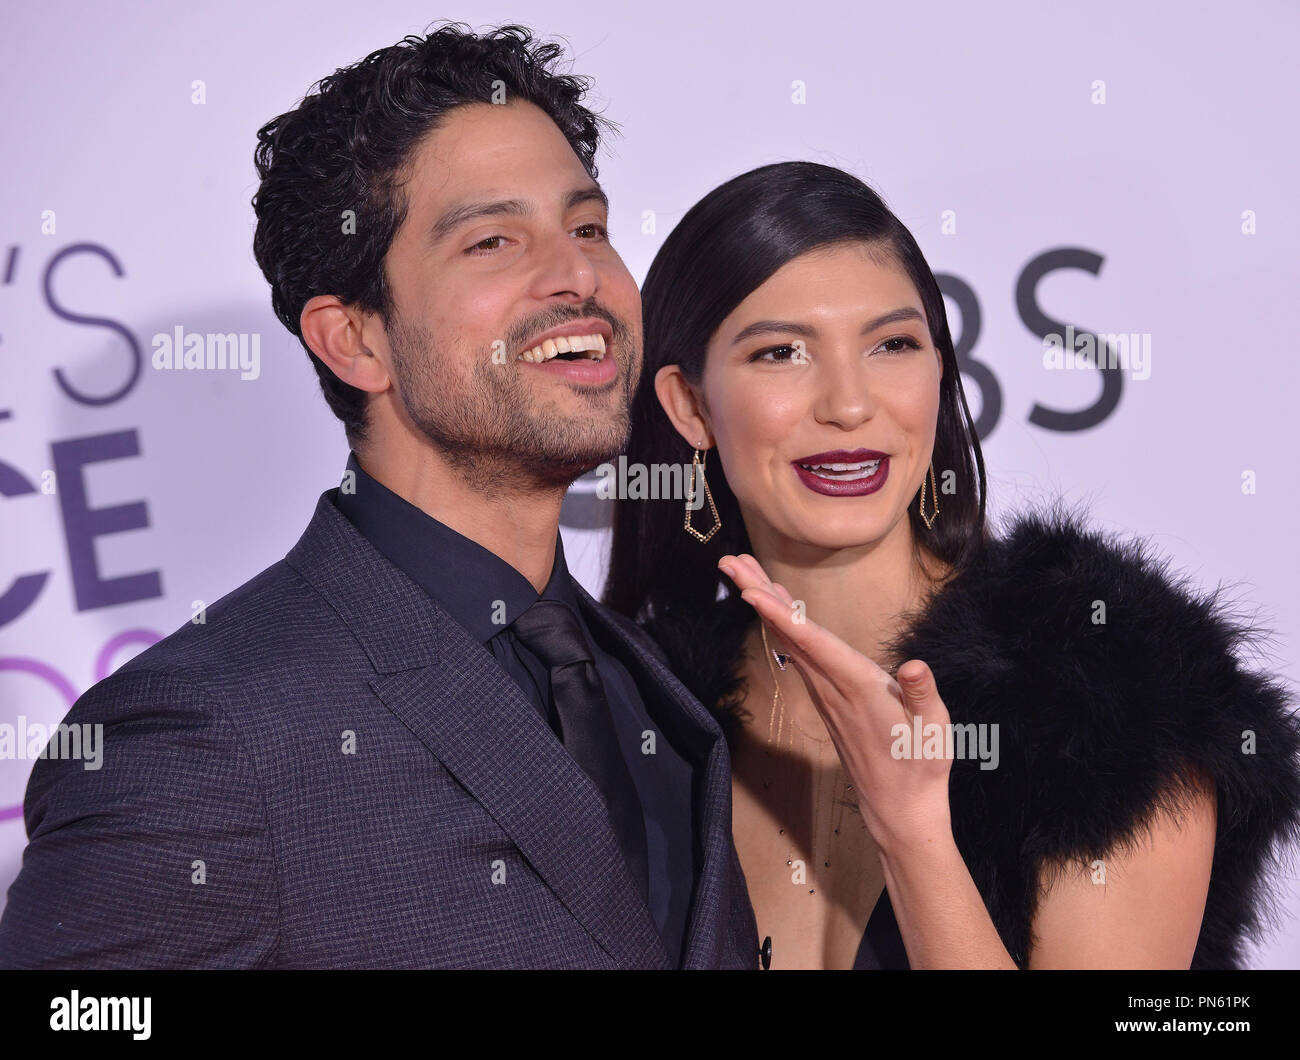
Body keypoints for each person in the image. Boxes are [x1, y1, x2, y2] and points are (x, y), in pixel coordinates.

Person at [0, 24, 758, 969]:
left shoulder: (663, 691)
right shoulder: (201, 735)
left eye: (588, 227)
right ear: (354, 341)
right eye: (493, 240)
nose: (578, 275)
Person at [604, 160, 1300, 969]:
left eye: (892, 344)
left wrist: (913, 834)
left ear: (939, 373)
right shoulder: (640, 715)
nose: (849, 404)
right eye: (782, 353)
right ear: (691, 406)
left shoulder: (1114, 694)